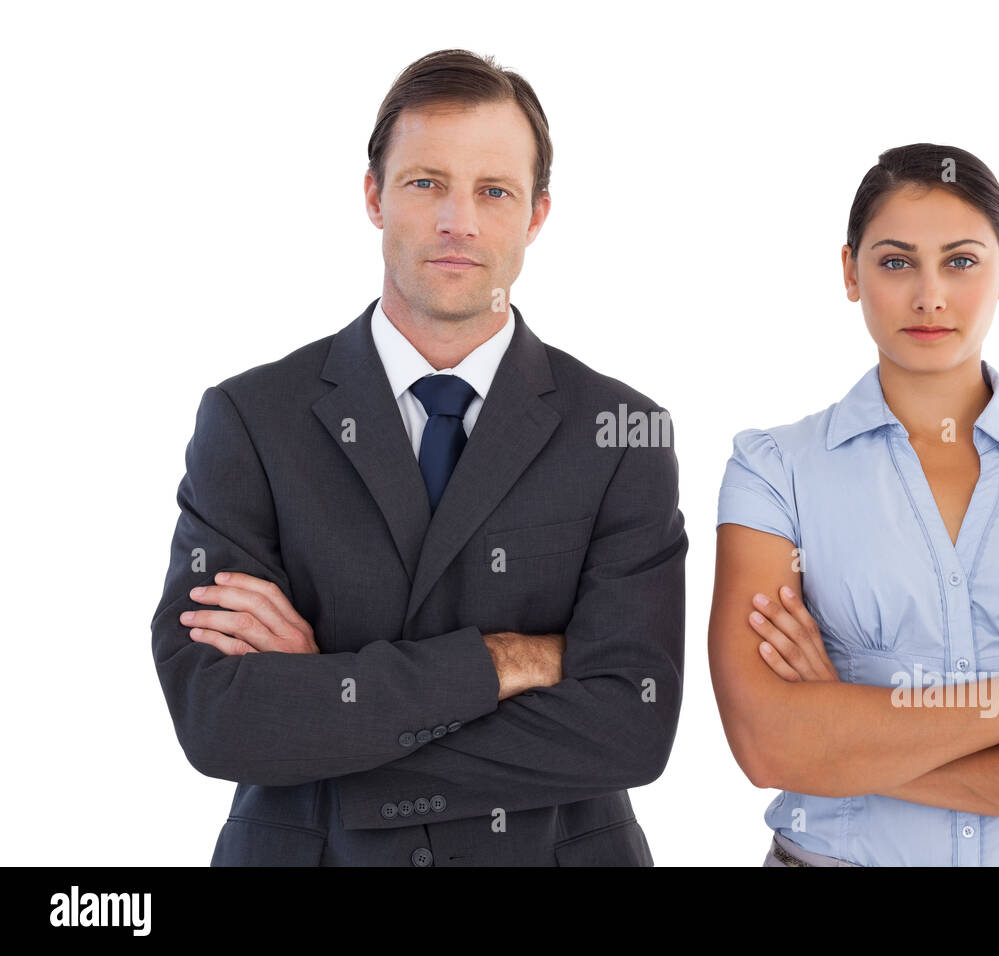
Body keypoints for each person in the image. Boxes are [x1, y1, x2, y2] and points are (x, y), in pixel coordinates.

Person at [150, 49, 687, 866]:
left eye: (494, 191)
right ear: (374, 195)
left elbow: (630, 729)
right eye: (426, 182)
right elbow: (220, 716)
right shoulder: (250, 420)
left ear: (538, 214)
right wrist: (504, 661)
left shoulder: (622, 432)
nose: (458, 222)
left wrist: (330, 693)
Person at [708, 143, 999, 867]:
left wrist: (844, 745)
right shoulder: (774, 473)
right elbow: (769, 743)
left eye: (960, 261)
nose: (929, 295)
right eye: (896, 262)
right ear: (850, 272)